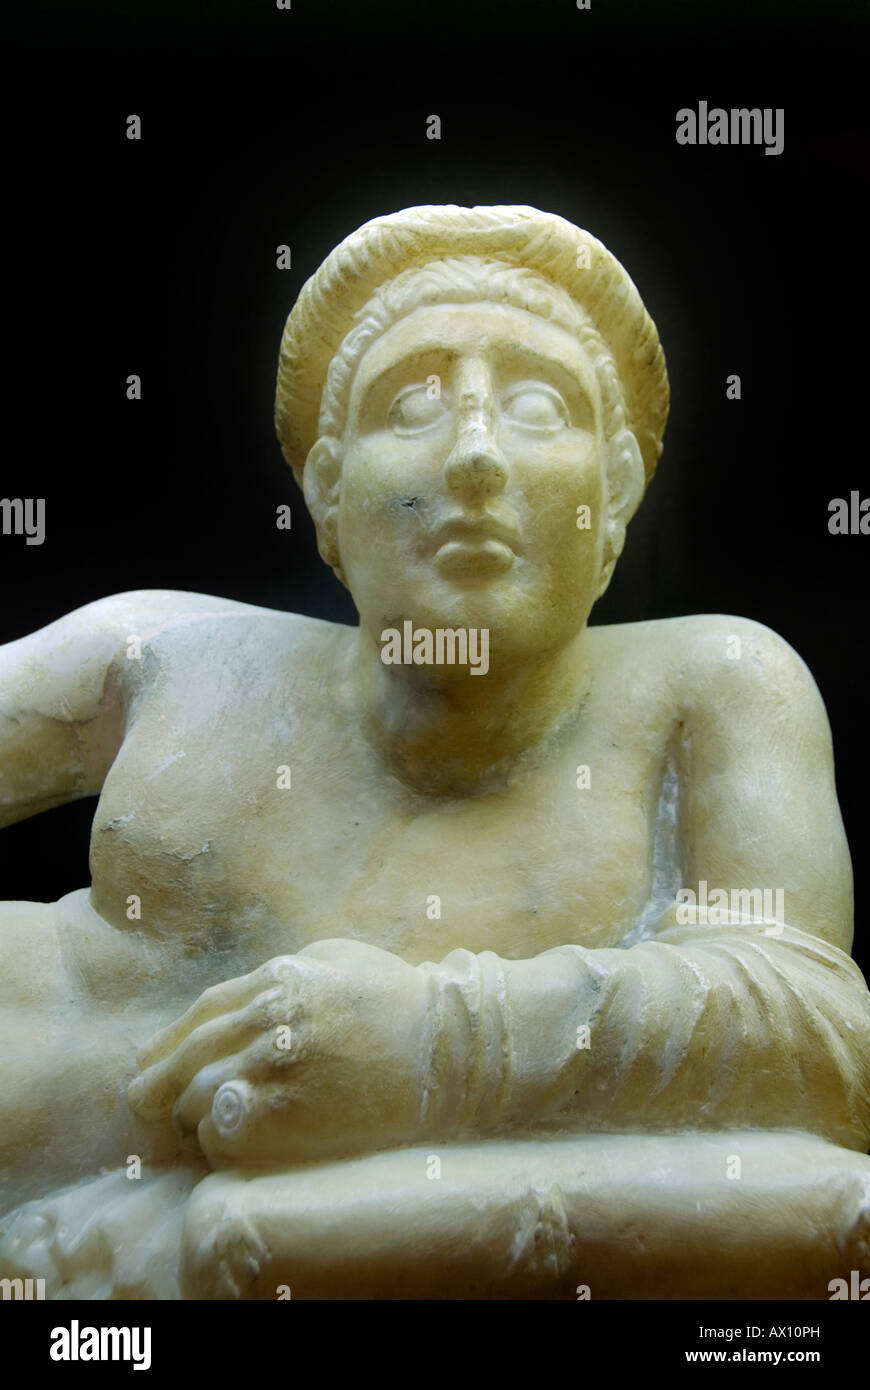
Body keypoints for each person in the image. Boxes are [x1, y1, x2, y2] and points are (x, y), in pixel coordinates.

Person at [1, 206, 868, 1299]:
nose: (471, 453)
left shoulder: (714, 684)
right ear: (326, 492)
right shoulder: (165, 656)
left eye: (539, 405)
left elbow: (821, 1036)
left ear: (616, 498)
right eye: (410, 402)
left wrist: (425, 1045)